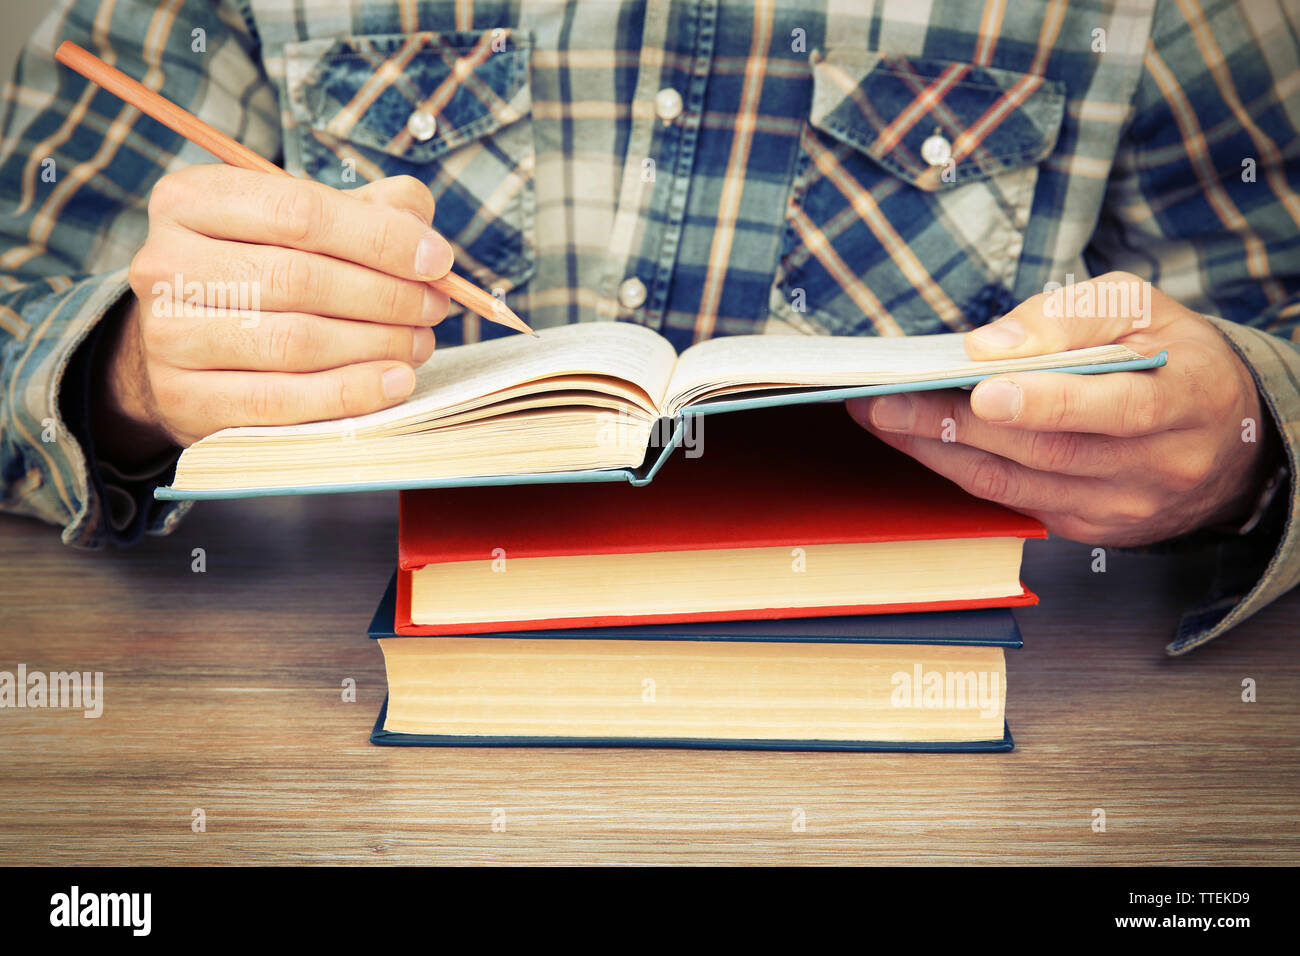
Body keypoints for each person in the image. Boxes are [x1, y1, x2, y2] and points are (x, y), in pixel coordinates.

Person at [0, 0, 1295, 654]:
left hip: (979, 705)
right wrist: (125, 373)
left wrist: (1243, 431)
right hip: (325, 693)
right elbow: (19, 310)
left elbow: (1273, 323)